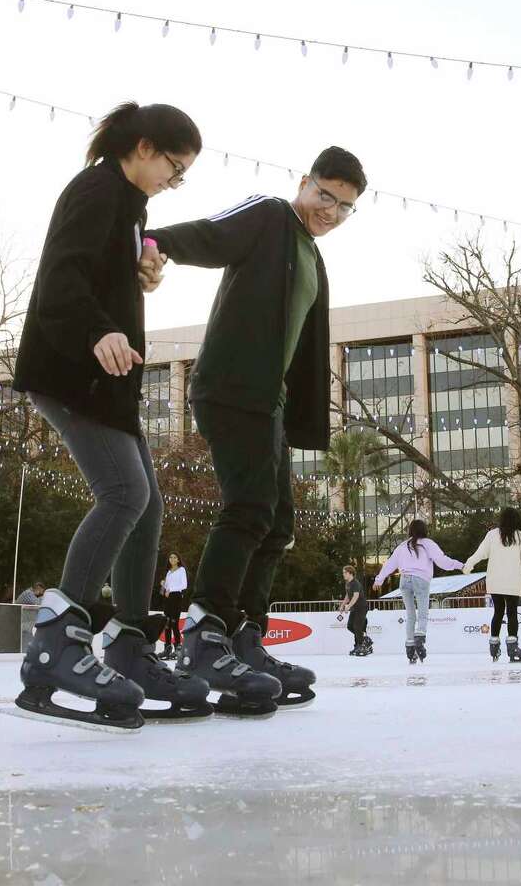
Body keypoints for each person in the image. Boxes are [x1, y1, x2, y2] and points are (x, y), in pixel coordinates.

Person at [9, 101, 211, 731]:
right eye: (173, 169)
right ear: (144, 147)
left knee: (147, 503)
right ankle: (55, 644)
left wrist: (140, 273)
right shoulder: (97, 189)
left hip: (108, 375)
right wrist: (99, 329)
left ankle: (127, 641)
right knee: (122, 492)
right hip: (72, 367)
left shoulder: (130, 206)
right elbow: (59, 280)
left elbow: (98, 274)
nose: (172, 182)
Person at [146, 145, 368, 713]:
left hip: (267, 402)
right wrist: (156, 244)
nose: (330, 212)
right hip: (229, 386)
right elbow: (214, 234)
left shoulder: (312, 257)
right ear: (304, 183)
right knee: (248, 509)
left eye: (343, 207)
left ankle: (245, 639)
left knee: (277, 523)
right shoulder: (271, 217)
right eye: (324, 195)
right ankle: (204, 635)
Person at [373, 520, 465, 664]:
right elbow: (442, 561)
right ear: (424, 530)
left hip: (404, 580)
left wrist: (378, 580)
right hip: (421, 580)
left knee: (410, 615)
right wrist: (460, 565)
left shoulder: (403, 546)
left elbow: (390, 563)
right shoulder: (428, 544)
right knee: (422, 612)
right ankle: (419, 638)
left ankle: (410, 647)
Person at [464, 508, 521, 663]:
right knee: (512, 613)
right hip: (512, 582)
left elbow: (479, 554)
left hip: (494, 581)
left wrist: (468, 565)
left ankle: (494, 645)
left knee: (498, 612)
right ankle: (512, 646)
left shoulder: (492, 535)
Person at [159, 553, 189, 660]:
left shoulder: (181, 570)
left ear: (178, 560)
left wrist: (170, 589)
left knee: (174, 623)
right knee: (167, 623)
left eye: (174, 557)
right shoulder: (168, 572)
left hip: (176, 597)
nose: (172, 559)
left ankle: (178, 648)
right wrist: (163, 584)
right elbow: (165, 589)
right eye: (170, 557)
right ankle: (167, 648)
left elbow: (184, 585)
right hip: (168, 599)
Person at [338, 566, 370, 656]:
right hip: (355, 608)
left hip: (361, 607)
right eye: (343, 573)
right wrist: (342, 605)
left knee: (357, 626)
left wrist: (348, 606)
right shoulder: (347, 583)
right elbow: (348, 596)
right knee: (350, 626)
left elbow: (356, 596)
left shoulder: (355, 583)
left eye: (345, 573)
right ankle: (364, 641)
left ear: (350, 573)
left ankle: (360, 645)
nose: (343, 574)